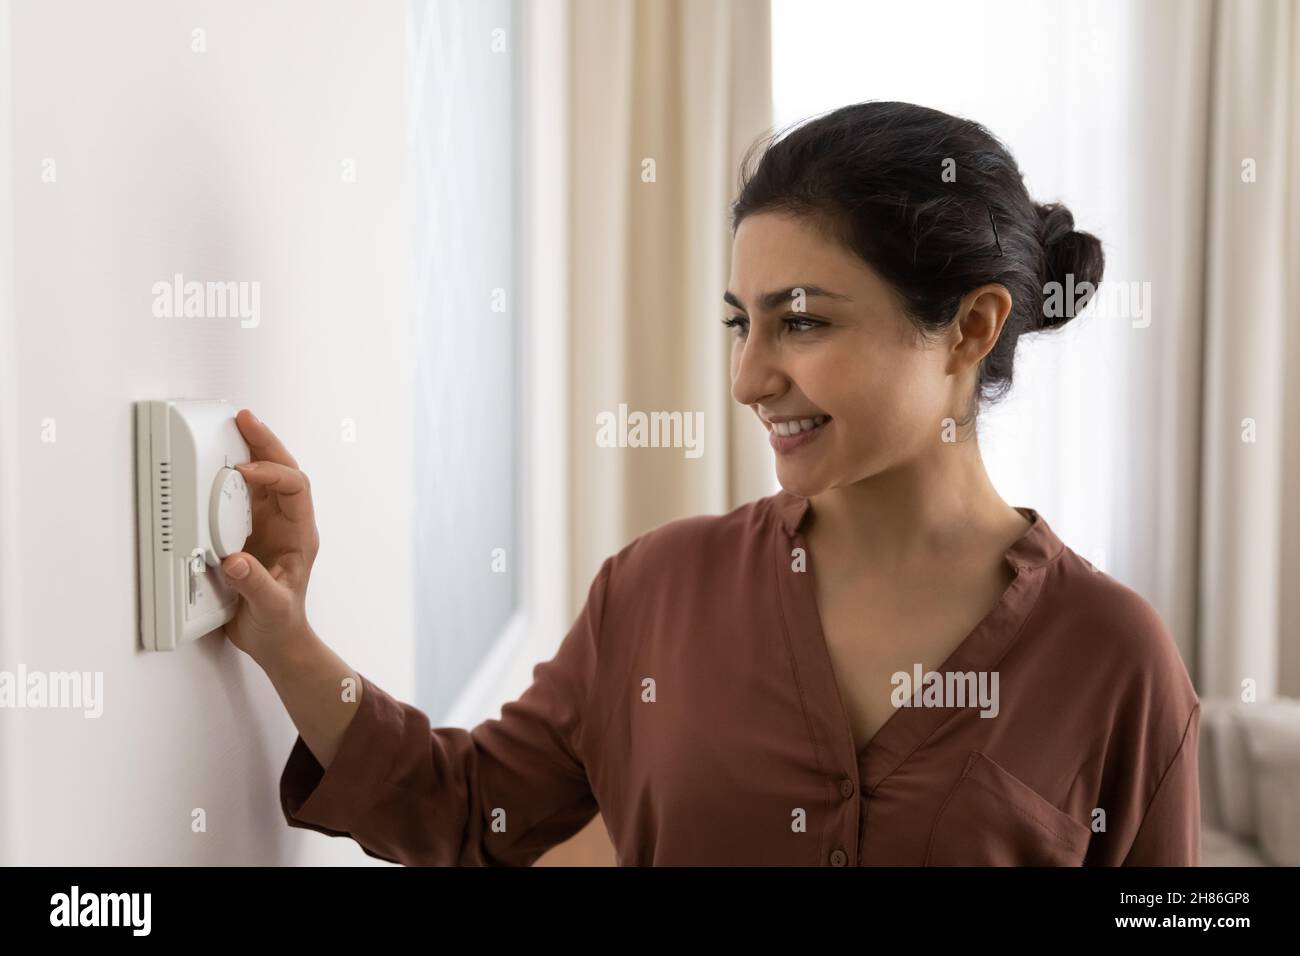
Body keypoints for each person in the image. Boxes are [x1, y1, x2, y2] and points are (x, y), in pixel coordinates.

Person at [222, 101, 1200, 866]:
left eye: (803, 322)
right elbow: (471, 808)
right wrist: (286, 635)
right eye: (741, 322)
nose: (747, 377)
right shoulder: (657, 591)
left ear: (971, 326)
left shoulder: (1114, 660)